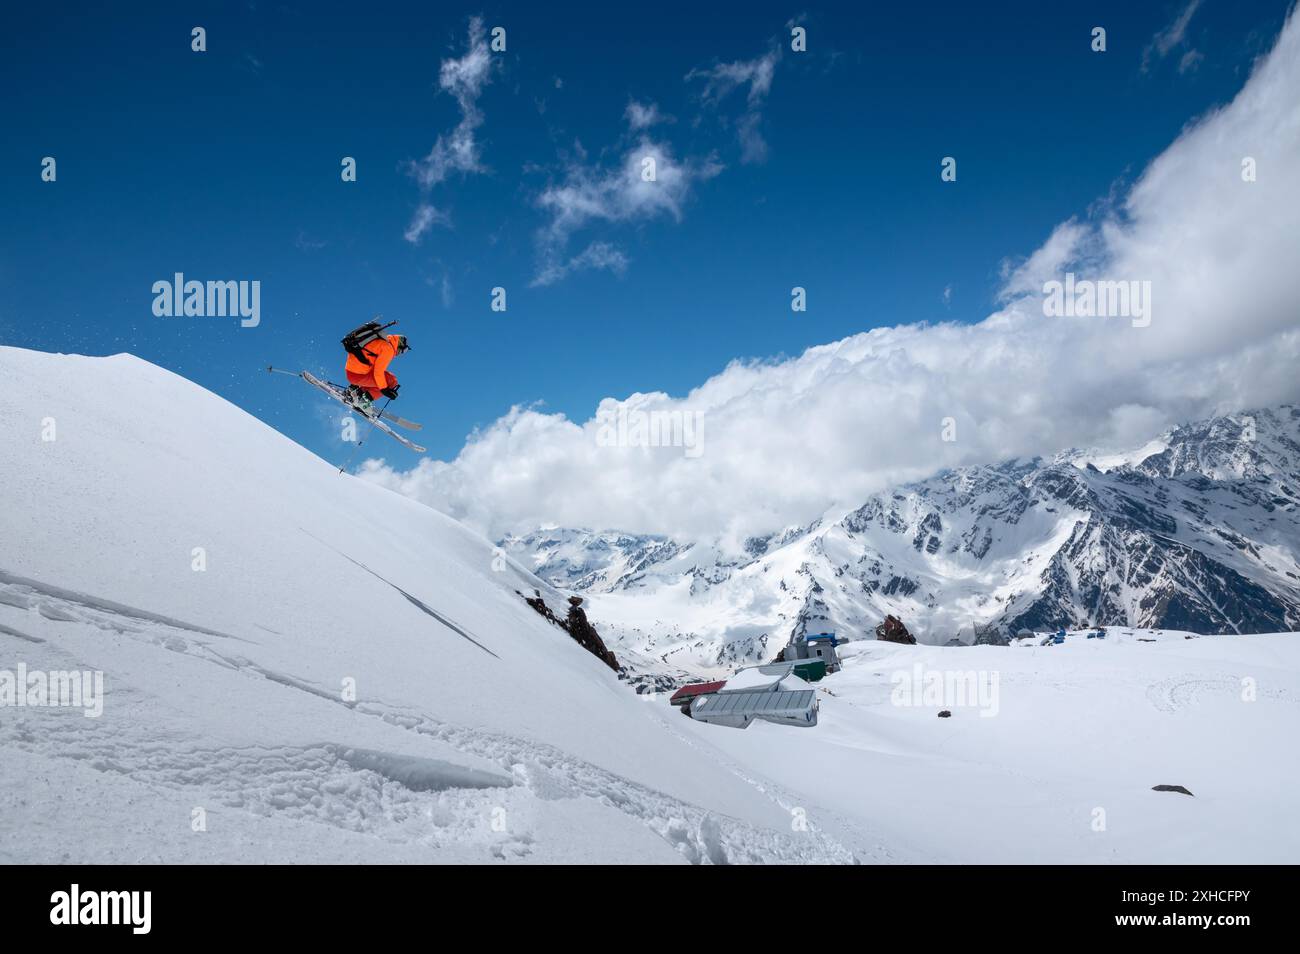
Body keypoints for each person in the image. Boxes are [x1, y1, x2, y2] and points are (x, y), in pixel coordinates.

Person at [342, 323, 409, 410]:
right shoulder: (388, 349)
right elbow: (378, 373)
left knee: (386, 377)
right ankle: (363, 403)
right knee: (391, 381)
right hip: (357, 376)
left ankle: (353, 392)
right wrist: (385, 390)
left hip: (351, 371)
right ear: (399, 344)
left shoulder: (380, 341)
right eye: (403, 351)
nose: (399, 353)